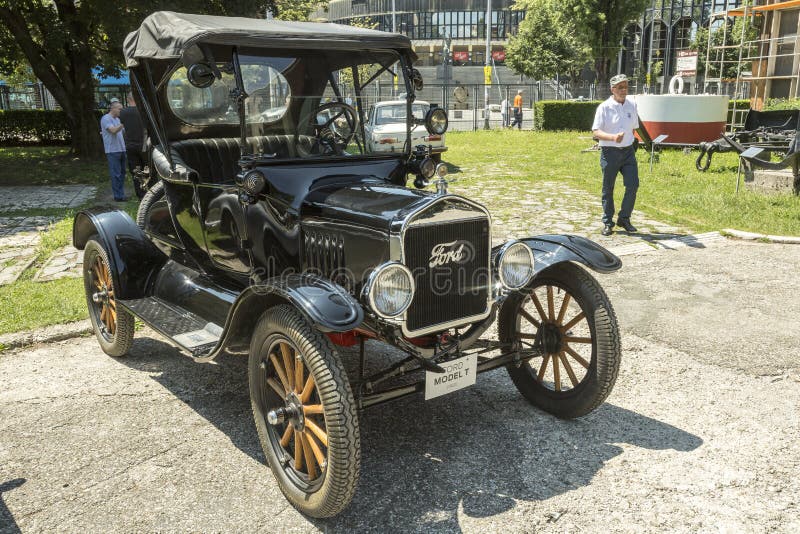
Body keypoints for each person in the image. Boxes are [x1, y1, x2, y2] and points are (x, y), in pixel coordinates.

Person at [591, 74, 640, 236]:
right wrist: (613, 138)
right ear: (612, 89)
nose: (624, 90)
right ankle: (608, 222)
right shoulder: (604, 107)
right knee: (608, 188)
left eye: (626, 87)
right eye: (620, 87)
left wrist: (630, 143)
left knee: (633, 185)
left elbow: (633, 127)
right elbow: (596, 132)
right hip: (609, 152)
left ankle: (624, 218)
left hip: (628, 152)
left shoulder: (632, 105)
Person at [119, 95, 146, 199]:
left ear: (128, 100)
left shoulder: (124, 112)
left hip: (131, 145)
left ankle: (140, 194)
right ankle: (150, 192)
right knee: (148, 169)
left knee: (135, 171)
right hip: (144, 145)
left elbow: (123, 126)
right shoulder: (144, 110)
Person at [100, 101, 127, 201]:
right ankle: (118, 196)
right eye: (120, 109)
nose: (121, 111)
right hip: (112, 150)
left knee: (122, 172)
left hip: (122, 149)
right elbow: (113, 131)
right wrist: (123, 124)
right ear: (113, 109)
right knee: (116, 174)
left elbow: (122, 132)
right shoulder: (106, 118)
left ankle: (121, 193)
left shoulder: (118, 119)